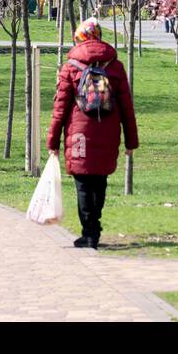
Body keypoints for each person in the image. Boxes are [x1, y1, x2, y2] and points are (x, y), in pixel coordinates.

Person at [47, 17, 138, 250]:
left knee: (83, 183)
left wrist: (53, 140)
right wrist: (131, 140)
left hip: (79, 133)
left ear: (79, 38)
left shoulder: (71, 66)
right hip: (108, 132)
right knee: (100, 181)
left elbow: (60, 107)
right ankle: (94, 229)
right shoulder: (115, 66)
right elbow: (127, 106)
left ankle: (89, 232)